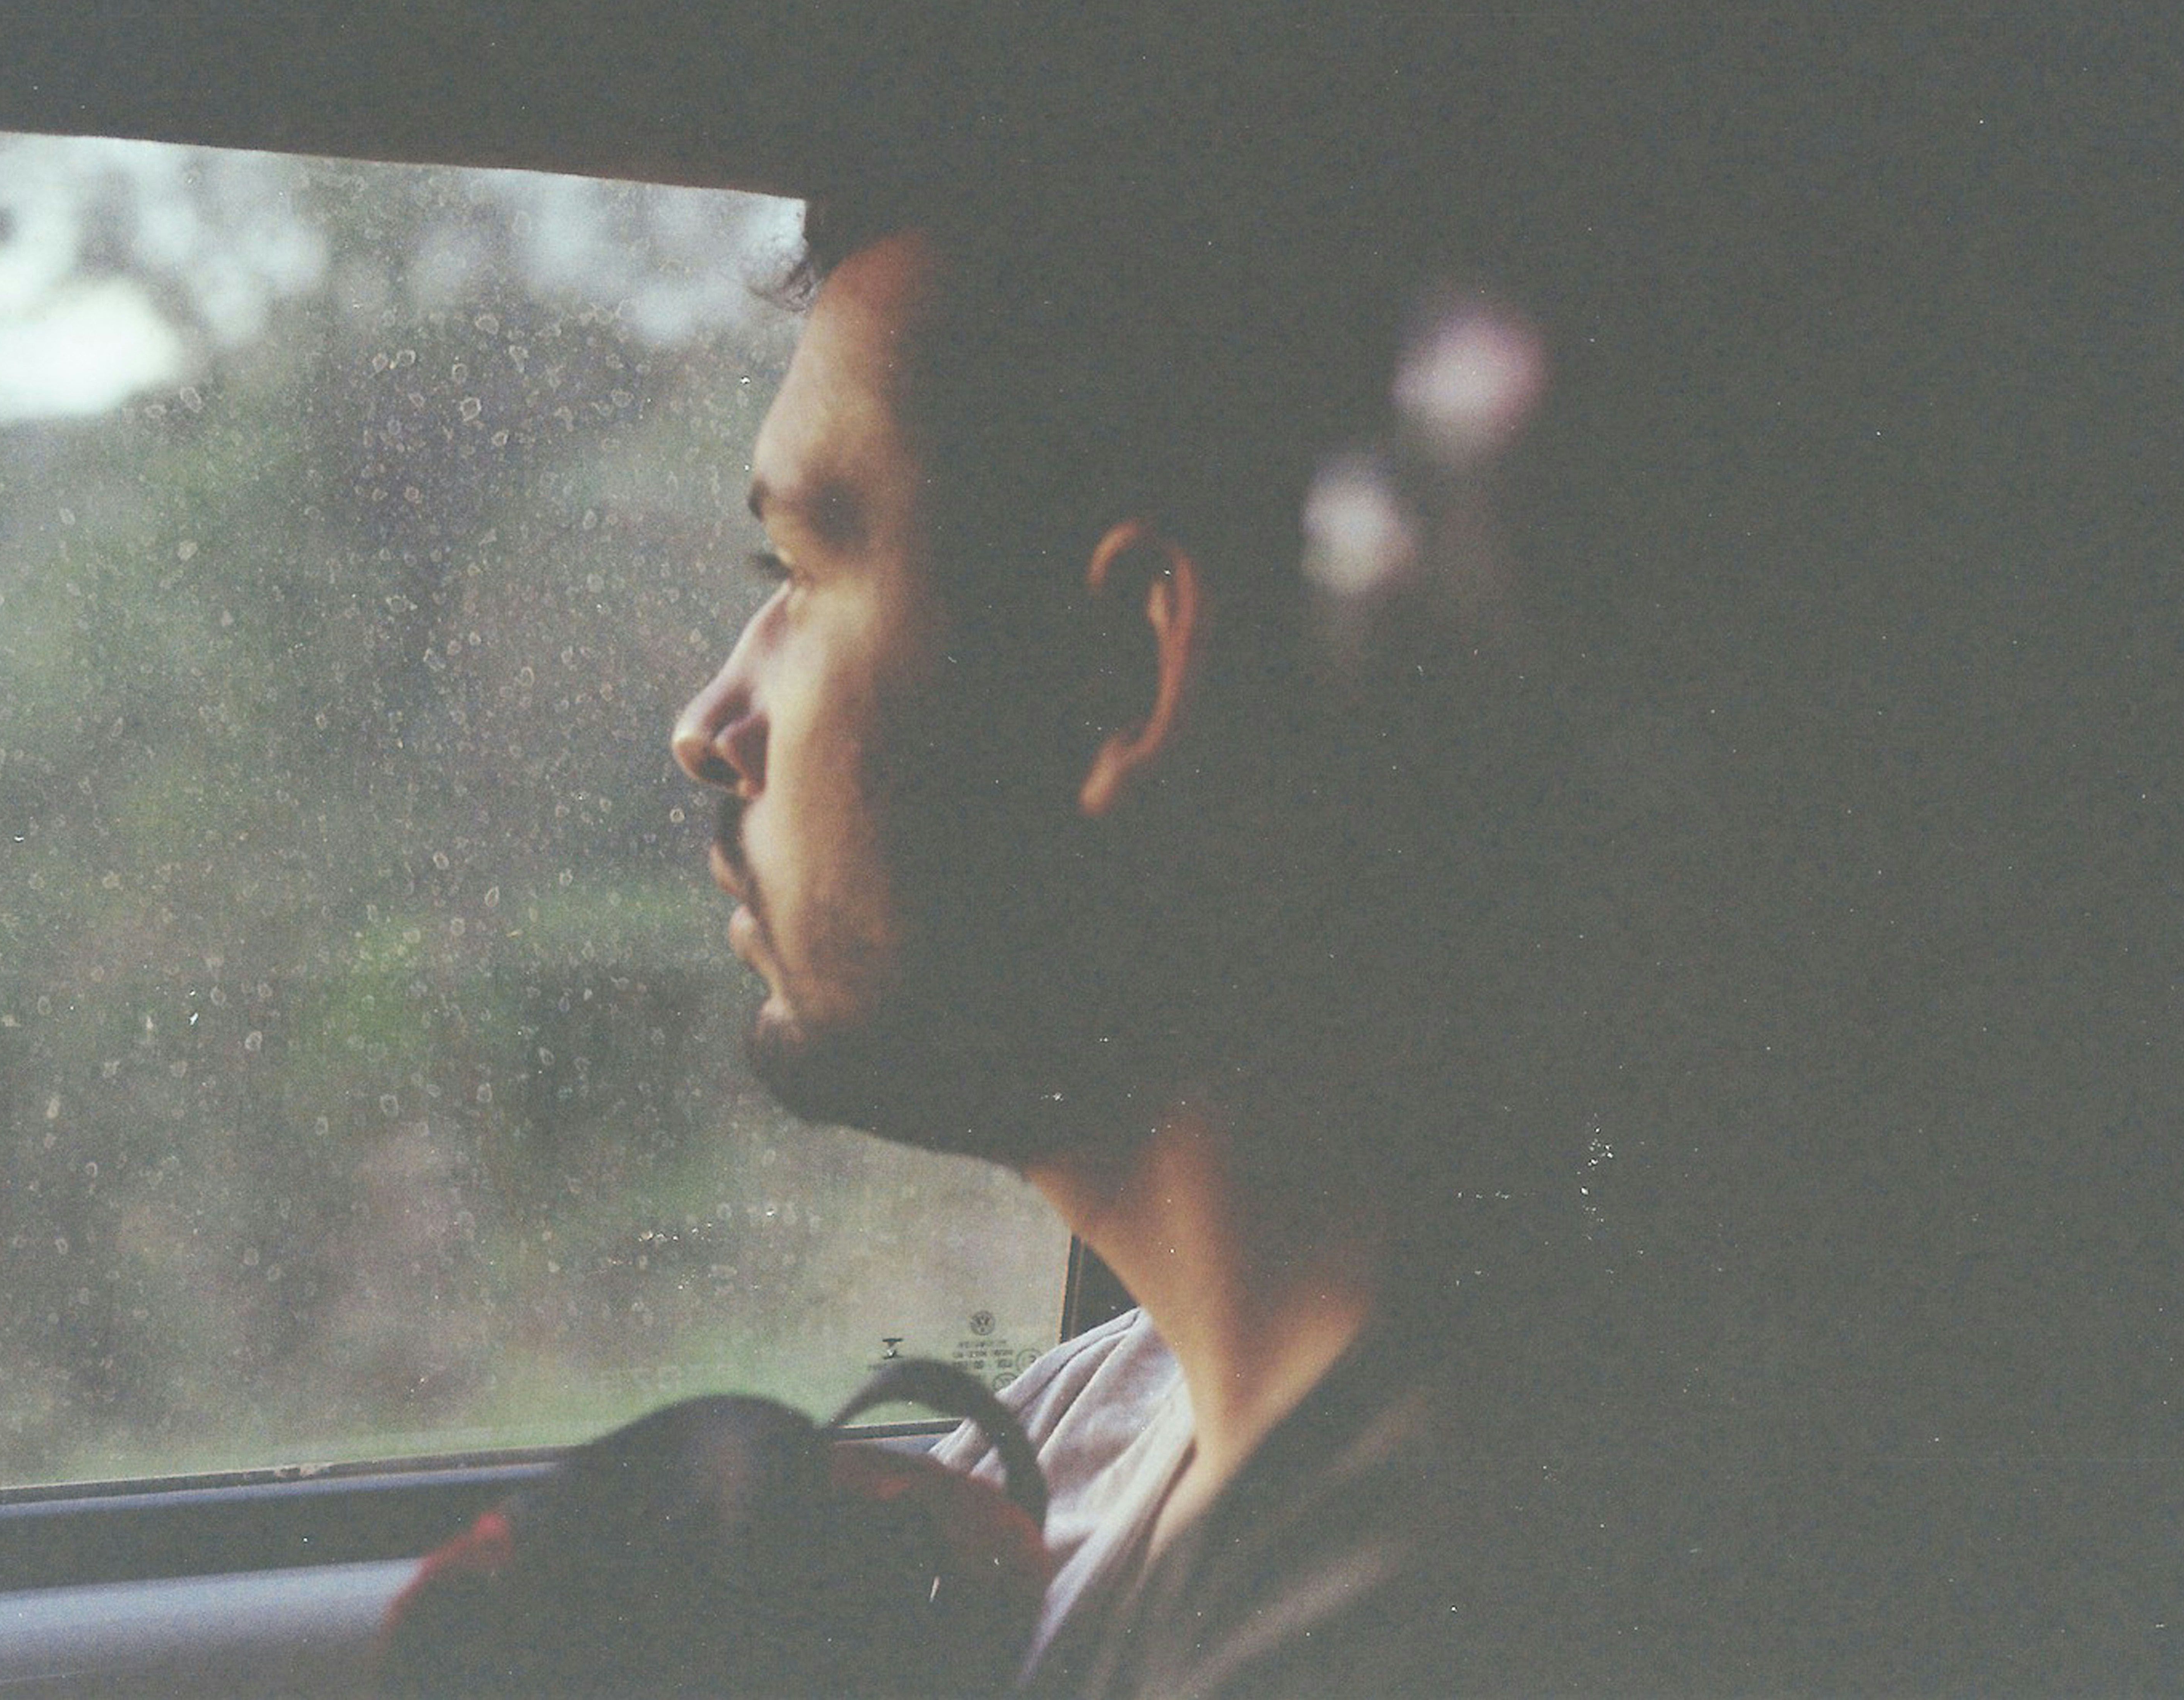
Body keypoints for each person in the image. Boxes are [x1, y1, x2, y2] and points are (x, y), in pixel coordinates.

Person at [668, 179, 1591, 1697]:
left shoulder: (1415, 1618)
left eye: (802, 575)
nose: (707, 725)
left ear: (1118, 673)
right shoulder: (1093, 1427)